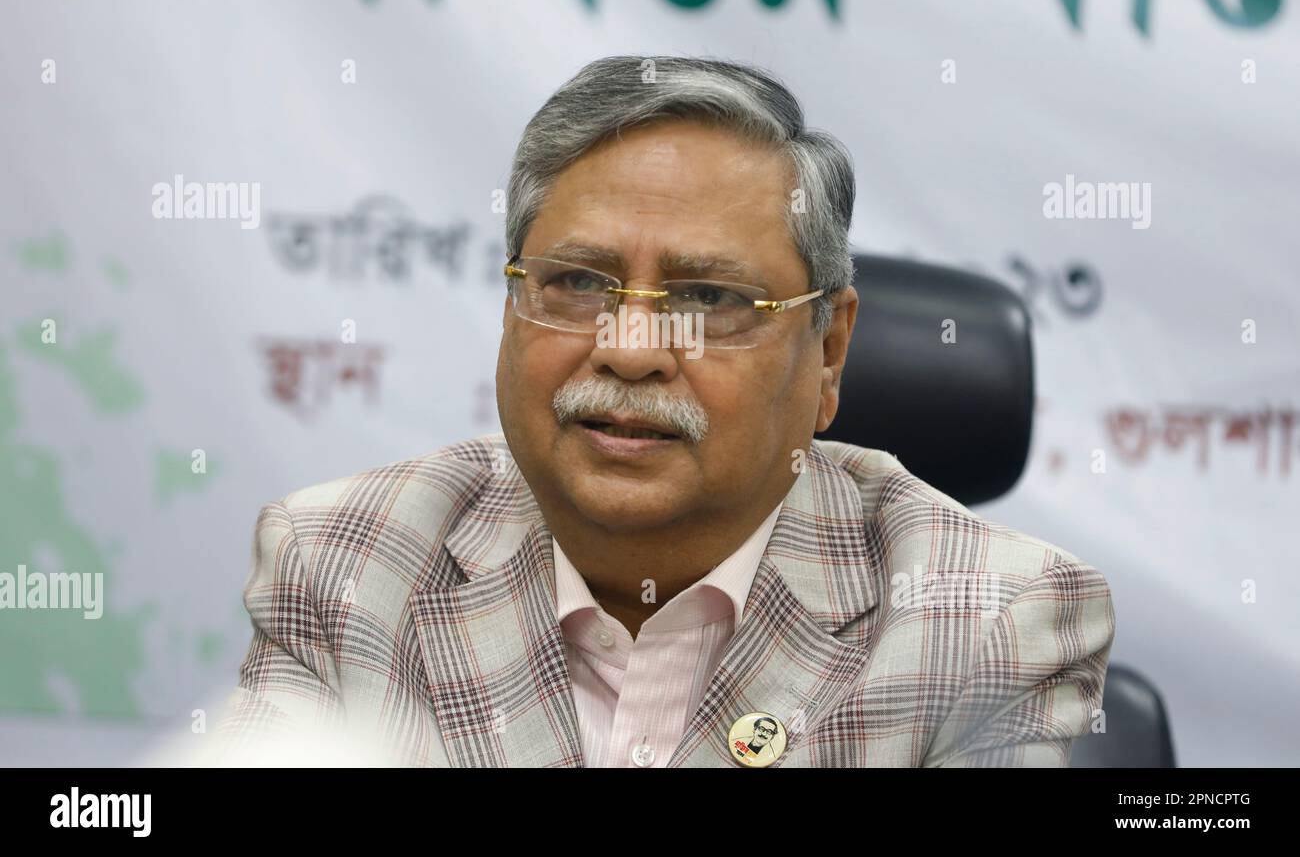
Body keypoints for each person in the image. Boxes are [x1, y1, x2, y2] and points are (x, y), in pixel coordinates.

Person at [213, 56, 1115, 767]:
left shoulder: (984, 621)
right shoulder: (343, 566)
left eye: (711, 299)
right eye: (574, 283)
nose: (631, 348)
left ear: (829, 350)